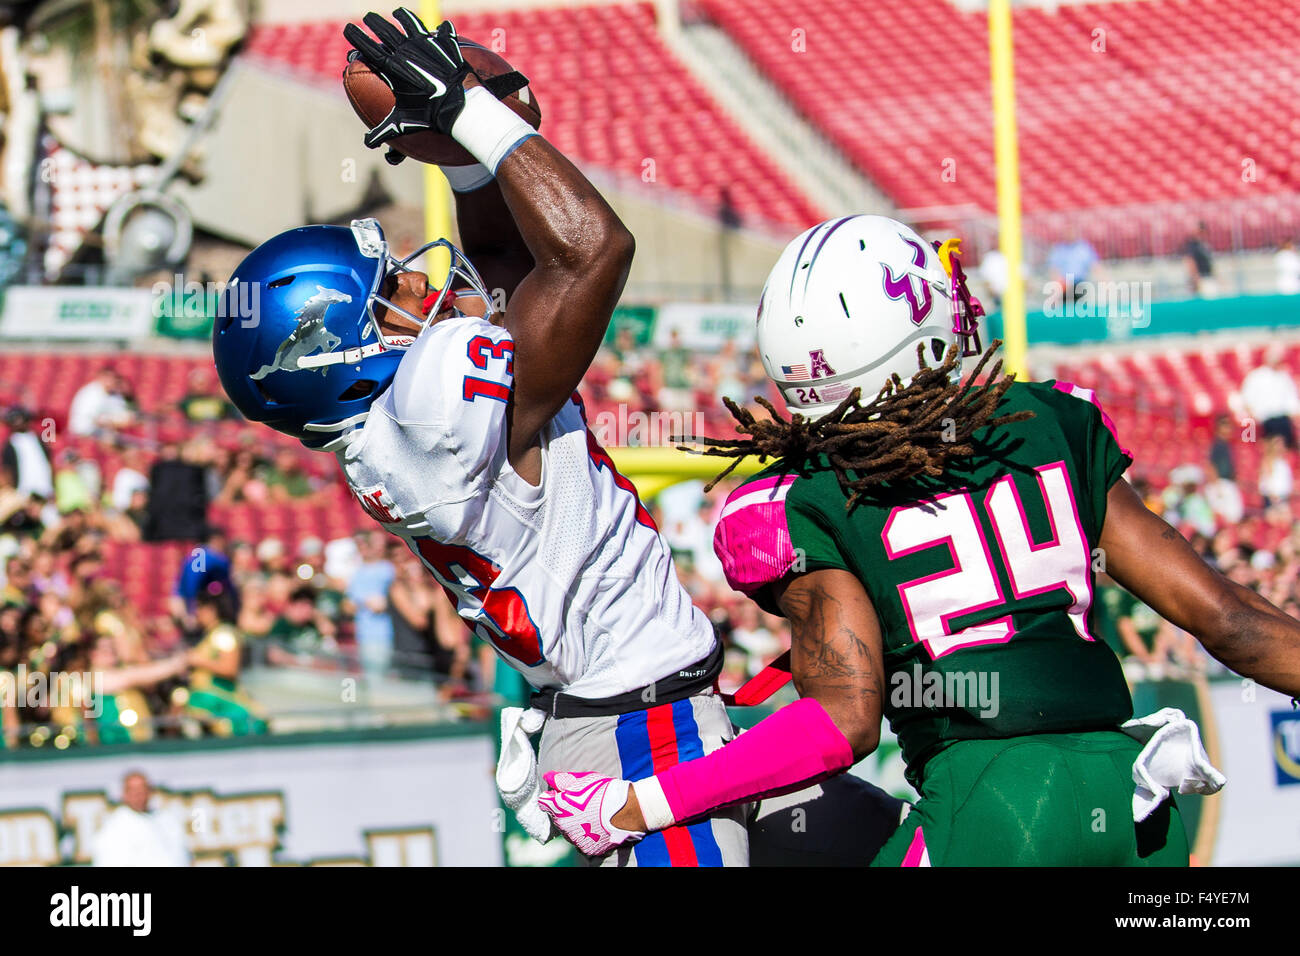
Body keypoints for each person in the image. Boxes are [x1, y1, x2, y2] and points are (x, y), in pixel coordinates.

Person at [212, 10, 899, 867]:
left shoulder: (400, 430)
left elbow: (513, 282)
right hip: (638, 737)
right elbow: (593, 253)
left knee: (873, 837)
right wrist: (472, 113)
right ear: (332, 357)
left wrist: (467, 166)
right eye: (389, 288)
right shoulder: (431, 414)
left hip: (642, 718)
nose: (419, 278)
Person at [540, 214, 1300, 866]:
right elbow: (1228, 619)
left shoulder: (810, 496)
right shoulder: (1047, 421)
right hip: (1135, 801)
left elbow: (844, 720)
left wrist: (639, 800)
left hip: (989, 813)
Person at [91, 770, 190, 866]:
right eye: (134, 790)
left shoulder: (166, 819)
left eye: (143, 789)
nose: (139, 794)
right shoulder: (114, 829)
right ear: (124, 794)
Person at [1240, 345, 1299, 450]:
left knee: (1288, 446)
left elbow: (1292, 401)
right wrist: (1255, 416)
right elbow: (1247, 400)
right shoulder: (1256, 376)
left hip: (1283, 418)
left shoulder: (1284, 376)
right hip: (1265, 420)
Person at [1183, 222, 1216, 297]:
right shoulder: (1192, 245)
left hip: (1207, 276)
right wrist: (1196, 279)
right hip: (1201, 278)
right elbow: (1190, 262)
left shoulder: (1204, 245)